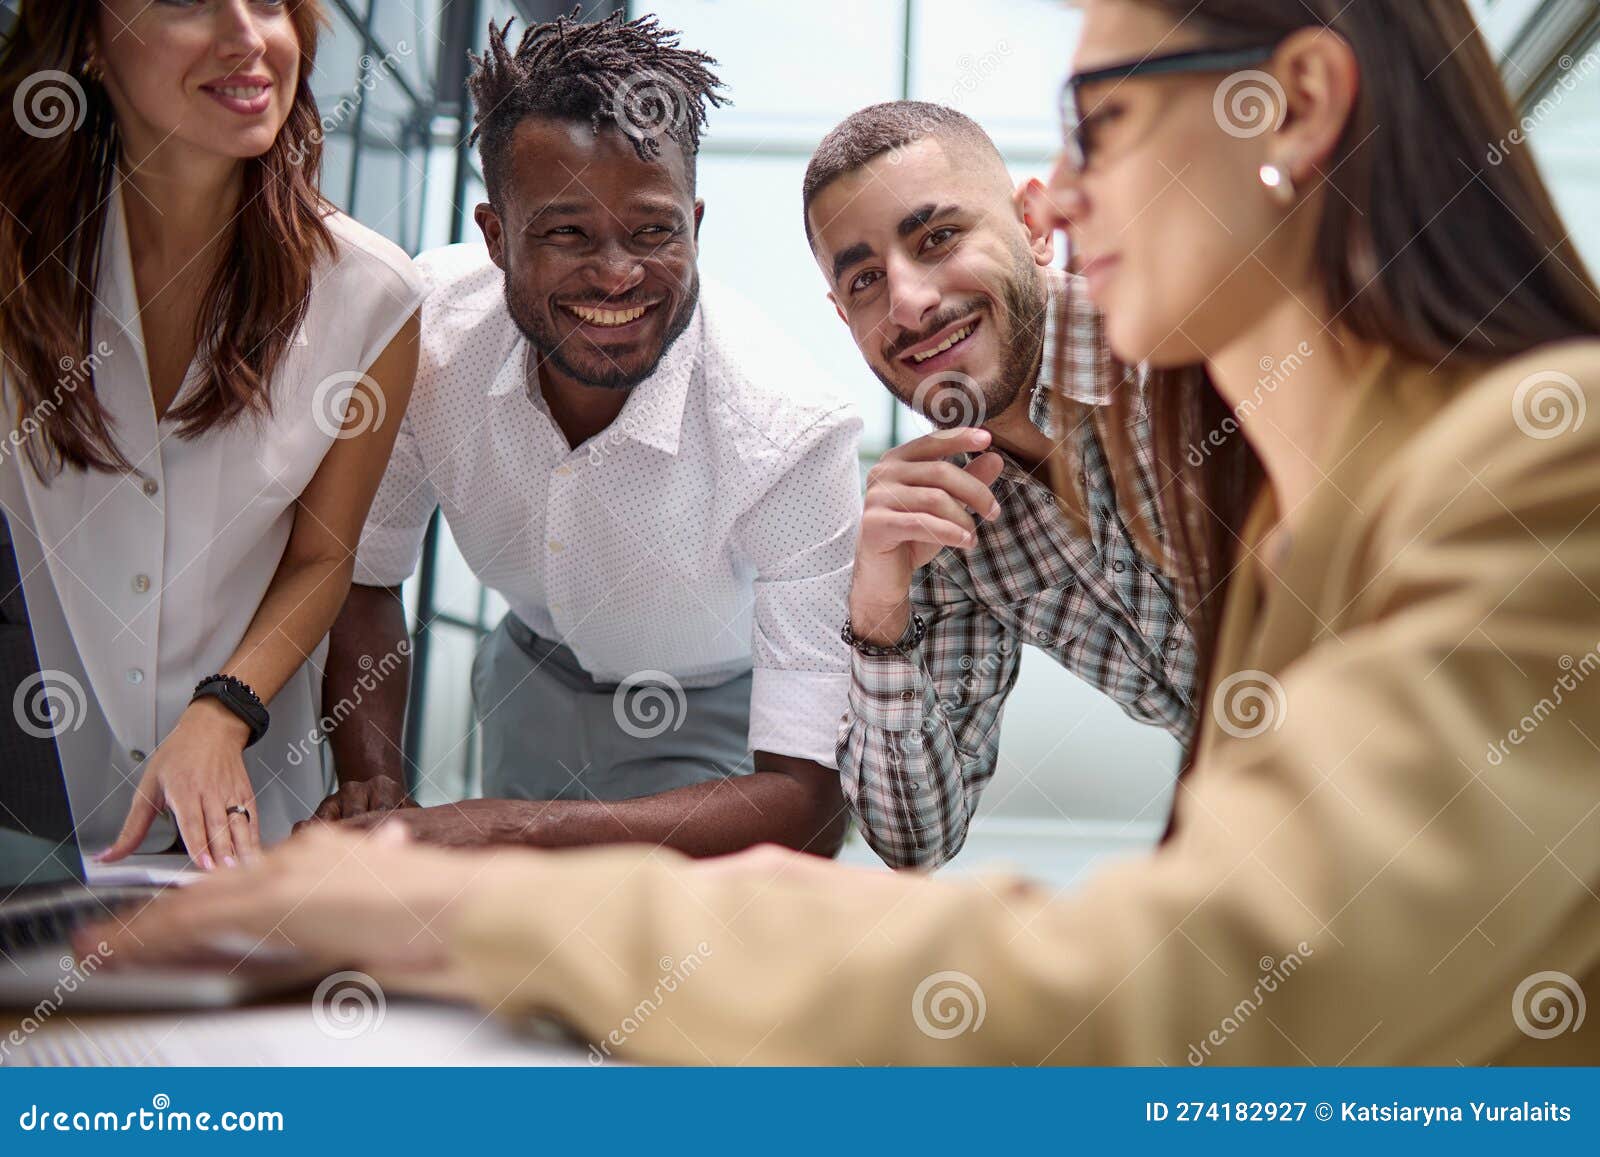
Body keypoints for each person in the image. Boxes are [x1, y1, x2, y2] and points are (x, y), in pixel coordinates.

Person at [88, 0, 1600, 1066]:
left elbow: (1227, 992)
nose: (1070, 193)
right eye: (860, 274)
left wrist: (499, 899)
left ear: (1306, 102)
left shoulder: (1539, 468)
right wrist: (881, 620)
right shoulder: (1021, 502)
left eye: (1101, 125)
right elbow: (937, 845)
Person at [302, 12, 863, 857]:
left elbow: (809, 804)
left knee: (665, 973)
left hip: (719, 731)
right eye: (566, 232)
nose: (616, 274)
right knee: (505, 968)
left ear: (695, 224)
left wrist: (503, 826)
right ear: (495, 237)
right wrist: (373, 784)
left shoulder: (791, 432)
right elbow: (365, 579)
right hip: (526, 678)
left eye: (652, 231)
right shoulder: (425, 337)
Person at [0, 0, 421, 866]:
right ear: (86, 38)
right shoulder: (15, 260)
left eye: (269, 2)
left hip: (247, 811)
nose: (247, 37)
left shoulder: (370, 294)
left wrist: (223, 708)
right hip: (36, 798)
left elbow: (322, 556)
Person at [804, 102, 1195, 869]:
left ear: (1033, 224)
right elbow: (918, 840)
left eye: (938, 238)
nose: (909, 301)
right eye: (865, 280)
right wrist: (880, 611)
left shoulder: (1188, 347)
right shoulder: (942, 528)